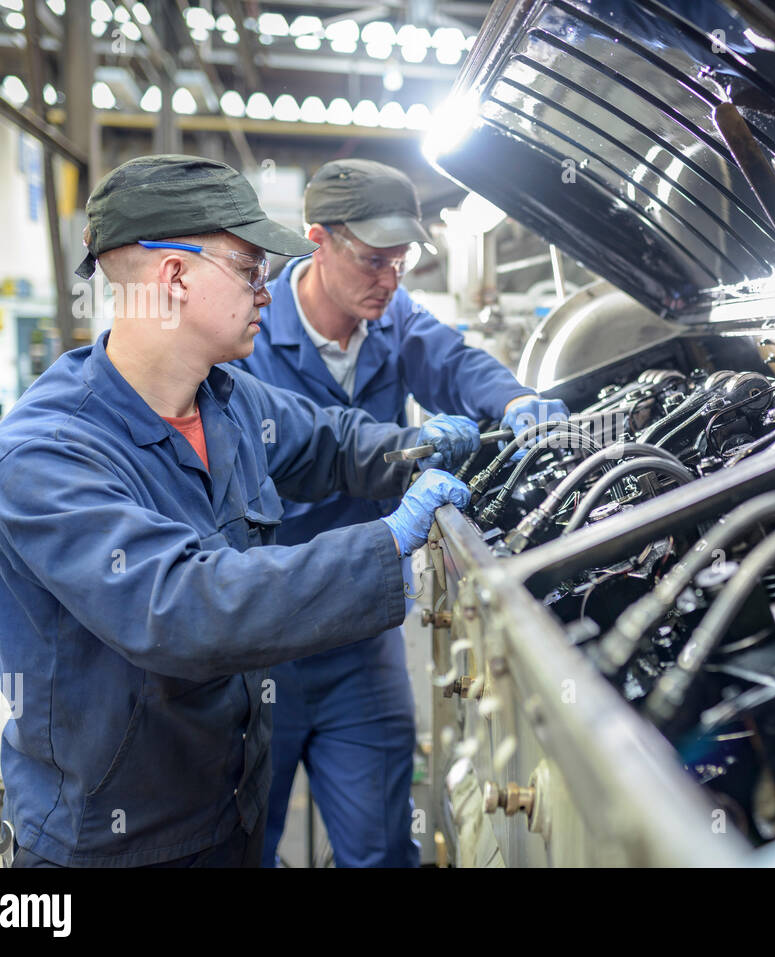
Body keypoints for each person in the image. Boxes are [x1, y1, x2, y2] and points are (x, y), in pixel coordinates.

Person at [0, 154, 477, 867]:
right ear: (174, 277)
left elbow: (334, 443)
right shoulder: (46, 453)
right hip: (112, 845)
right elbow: (182, 606)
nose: (266, 292)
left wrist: (425, 447)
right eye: (249, 269)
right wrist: (383, 543)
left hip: (228, 810)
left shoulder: (228, 400)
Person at [235, 159, 568, 867]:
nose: (389, 279)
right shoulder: (251, 339)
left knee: (383, 846)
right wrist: (394, 468)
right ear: (317, 240)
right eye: (373, 261)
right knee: (241, 839)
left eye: (402, 262)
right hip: (265, 638)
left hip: (362, 629)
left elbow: (454, 360)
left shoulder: (393, 319)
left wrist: (514, 401)